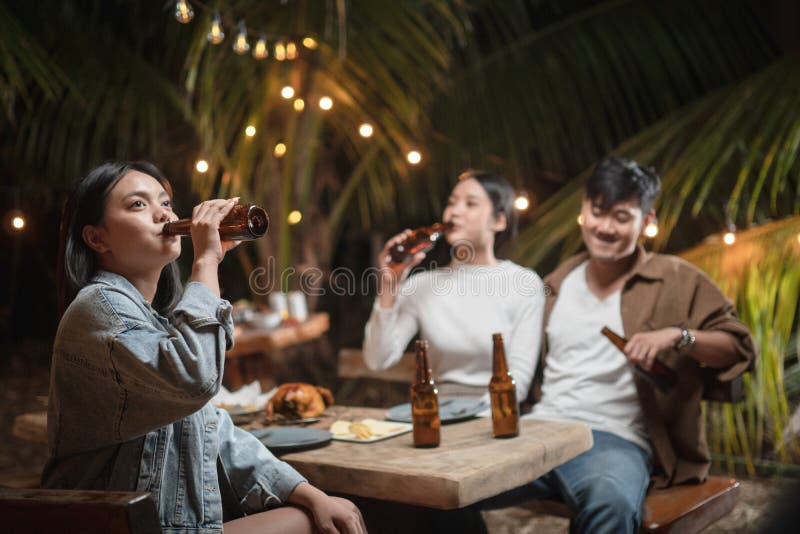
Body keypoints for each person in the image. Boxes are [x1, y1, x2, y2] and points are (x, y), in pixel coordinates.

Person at [42, 161, 365, 534]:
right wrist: (207, 260)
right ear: (98, 239)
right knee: (321, 523)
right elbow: (195, 377)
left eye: (165, 202)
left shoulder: (151, 322)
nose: (164, 213)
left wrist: (309, 493)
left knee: (330, 510)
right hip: (116, 527)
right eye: (138, 204)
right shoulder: (98, 308)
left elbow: (218, 432)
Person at [482, 156, 756, 533]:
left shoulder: (676, 278)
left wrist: (679, 336)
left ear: (648, 221)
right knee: (431, 488)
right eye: (598, 212)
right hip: (538, 431)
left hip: (612, 439)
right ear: (583, 211)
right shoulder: (554, 284)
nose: (606, 228)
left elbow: (738, 347)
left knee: (609, 504)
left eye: (622, 217)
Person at [362, 170, 545, 401]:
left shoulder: (524, 284)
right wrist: (389, 287)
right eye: (451, 203)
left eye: (470, 204)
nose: (454, 212)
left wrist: (474, 417)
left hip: (498, 411)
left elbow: (519, 378)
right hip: (437, 411)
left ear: (499, 221)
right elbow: (377, 360)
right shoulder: (422, 285)